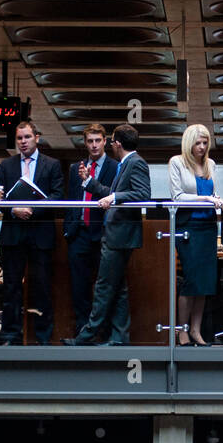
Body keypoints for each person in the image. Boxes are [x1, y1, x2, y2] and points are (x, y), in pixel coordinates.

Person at [66, 124, 151, 346]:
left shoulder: (136, 162)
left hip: (120, 235)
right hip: (116, 234)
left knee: (103, 287)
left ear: (117, 144)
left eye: (111, 141)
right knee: (119, 289)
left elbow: (143, 194)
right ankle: (119, 338)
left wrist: (114, 198)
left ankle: (86, 336)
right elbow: (110, 194)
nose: (111, 145)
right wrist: (89, 183)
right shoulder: (126, 164)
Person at [0, 120, 64, 345]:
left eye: (27, 137)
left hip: (40, 233)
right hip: (13, 233)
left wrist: (33, 209)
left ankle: (42, 337)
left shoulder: (52, 164)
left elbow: (57, 197)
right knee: (11, 287)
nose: (23, 142)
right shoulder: (7, 165)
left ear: (37, 137)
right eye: (19, 138)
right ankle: (10, 335)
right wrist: (14, 209)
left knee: (42, 286)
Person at [169, 124, 223, 346]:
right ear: (188, 143)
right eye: (198, 143)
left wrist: (216, 199)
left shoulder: (210, 164)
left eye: (205, 143)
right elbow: (177, 197)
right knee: (191, 280)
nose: (202, 147)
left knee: (205, 282)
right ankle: (181, 330)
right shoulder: (177, 162)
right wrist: (207, 199)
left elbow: (211, 192)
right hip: (187, 227)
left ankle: (195, 330)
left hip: (209, 227)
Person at [63, 124, 118, 334]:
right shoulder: (75, 168)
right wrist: (69, 229)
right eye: (90, 141)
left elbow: (113, 195)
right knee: (79, 286)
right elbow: (71, 200)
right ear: (84, 143)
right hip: (79, 234)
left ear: (105, 141)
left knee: (104, 286)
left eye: (97, 140)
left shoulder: (115, 167)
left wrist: (90, 180)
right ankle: (82, 331)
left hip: (103, 233)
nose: (94, 145)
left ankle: (102, 331)